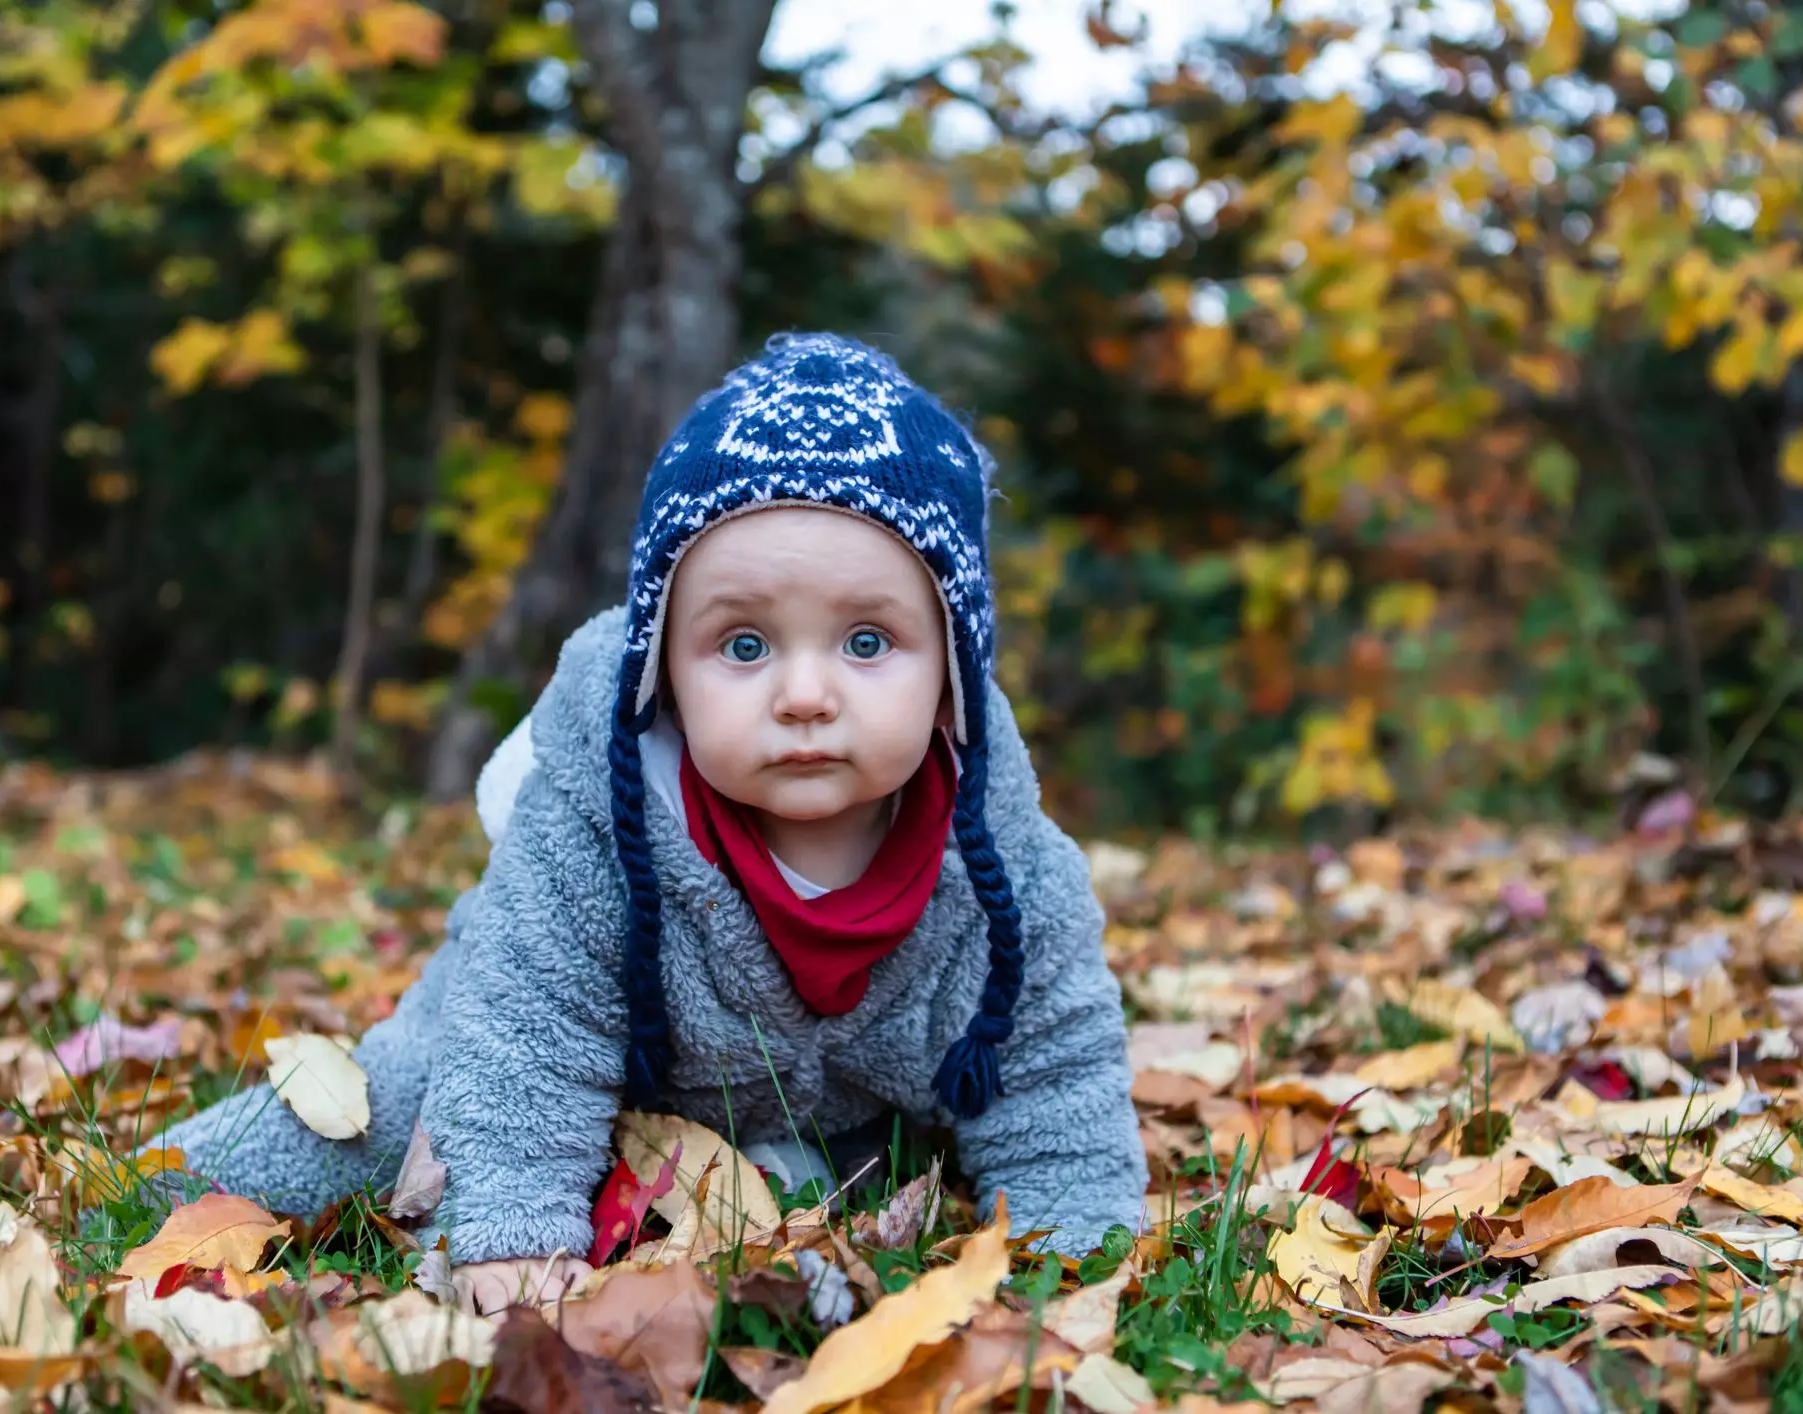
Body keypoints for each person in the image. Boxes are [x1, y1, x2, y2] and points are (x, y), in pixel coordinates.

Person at [148, 333, 1146, 1314]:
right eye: (744, 644)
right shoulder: (598, 822)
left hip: (815, 1108)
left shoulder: (1002, 866)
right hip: (522, 1050)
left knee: (856, 1179)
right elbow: (527, 1028)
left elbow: (1050, 1060)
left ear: (952, 673)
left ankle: (759, 1188)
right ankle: (168, 1175)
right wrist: (517, 1232)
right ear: (662, 662)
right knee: (385, 1111)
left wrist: (1076, 1242)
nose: (805, 693)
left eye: (869, 640)